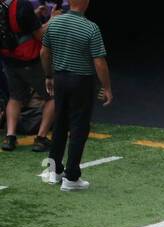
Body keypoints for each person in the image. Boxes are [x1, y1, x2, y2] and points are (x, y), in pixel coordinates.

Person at [38, 0, 108, 191]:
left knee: (59, 123)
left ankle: (54, 171)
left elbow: (44, 52)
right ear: (85, 3)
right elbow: (99, 62)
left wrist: (48, 76)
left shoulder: (55, 23)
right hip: (81, 81)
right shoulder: (90, 28)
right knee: (79, 127)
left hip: (60, 78)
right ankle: (71, 177)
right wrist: (107, 87)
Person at [1, 0, 54, 152]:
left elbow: (11, 26)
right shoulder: (22, 5)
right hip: (30, 60)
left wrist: (34, 14)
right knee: (52, 96)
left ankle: (10, 137)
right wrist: (52, 20)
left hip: (9, 60)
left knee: (15, 97)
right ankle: (41, 138)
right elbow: (39, 34)